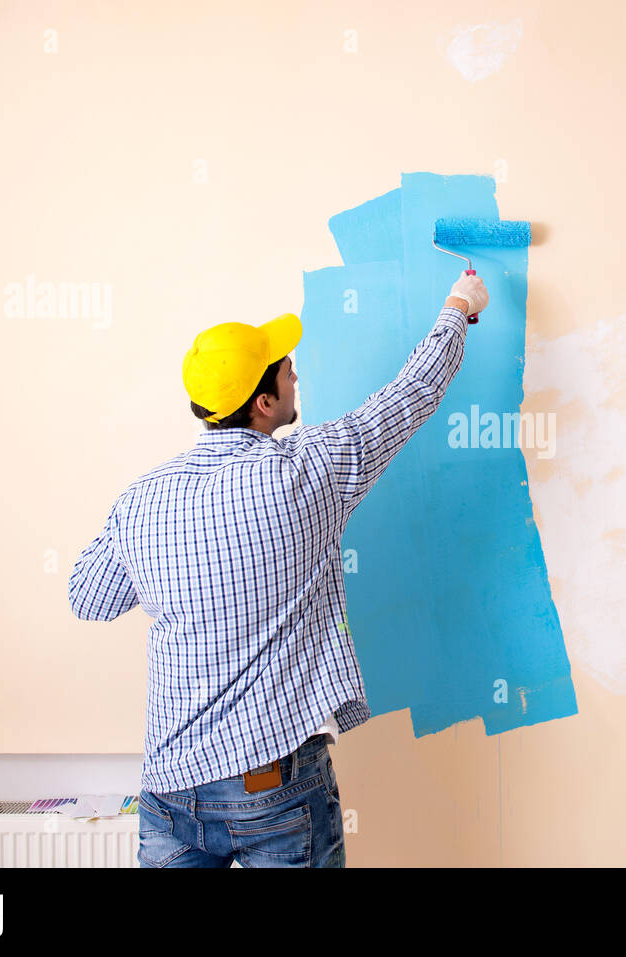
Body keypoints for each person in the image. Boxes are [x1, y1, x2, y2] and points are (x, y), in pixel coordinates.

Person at [67, 271, 489, 867]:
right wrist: (458, 307)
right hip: (271, 792)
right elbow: (408, 396)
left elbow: (89, 597)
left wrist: (146, 543)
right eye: (286, 369)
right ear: (264, 403)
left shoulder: (144, 499)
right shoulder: (308, 470)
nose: (295, 374)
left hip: (169, 791)